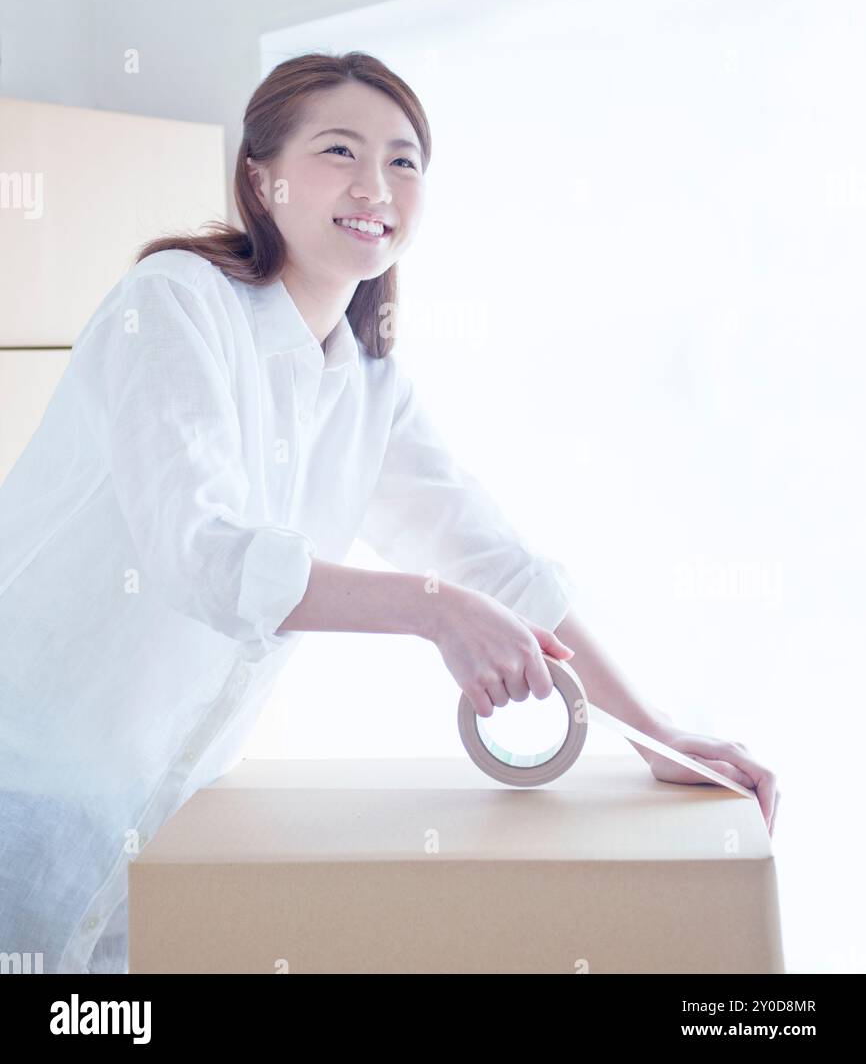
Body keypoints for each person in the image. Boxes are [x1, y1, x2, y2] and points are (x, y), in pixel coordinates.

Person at [0, 50, 779, 975]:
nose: (377, 183)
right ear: (262, 175)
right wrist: (432, 610)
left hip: (158, 814)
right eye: (340, 150)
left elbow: (497, 564)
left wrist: (657, 733)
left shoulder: (369, 388)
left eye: (405, 160)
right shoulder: (172, 304)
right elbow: (199, 555)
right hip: (26, 778)